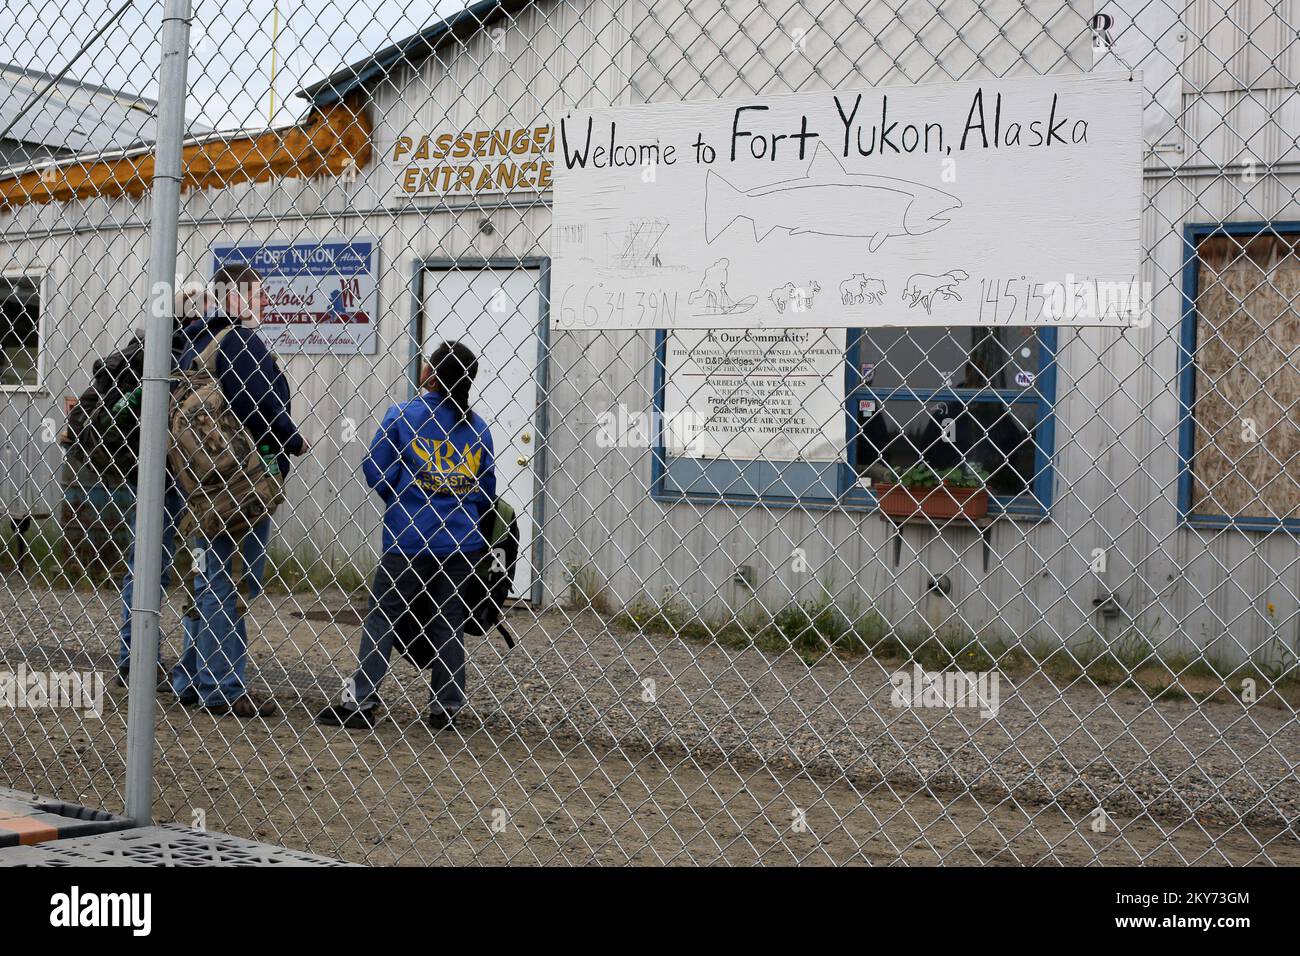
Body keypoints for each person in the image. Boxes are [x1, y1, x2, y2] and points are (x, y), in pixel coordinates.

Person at [317, 341, 496, 731]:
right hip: (461, 544)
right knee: (448, 621)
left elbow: (375, 470)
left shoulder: (403, 415)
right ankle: (446, 706)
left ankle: (361, 702)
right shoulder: (477, 427)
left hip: (409, 540)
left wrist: (404, 496)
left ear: (429, 374)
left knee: (383, 615)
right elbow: (485, 491)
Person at [172, 263, 310, 718]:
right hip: (240, 485)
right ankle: (224, 686)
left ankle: (190, 677)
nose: (264, 302)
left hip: (201, 483)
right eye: (257, 294)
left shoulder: (195, 340)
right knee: (231, 582)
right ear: (233, 296)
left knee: (204, 578)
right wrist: (293, 439)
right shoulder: (241, 341)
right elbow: (258, 401)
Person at [115, 281, 210, 691]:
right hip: (187, 476)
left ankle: (135, 658)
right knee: (198, 568)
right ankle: (184, 666)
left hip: (149, 473)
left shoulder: (146, 349)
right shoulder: (192, 355)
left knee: (147, 565)